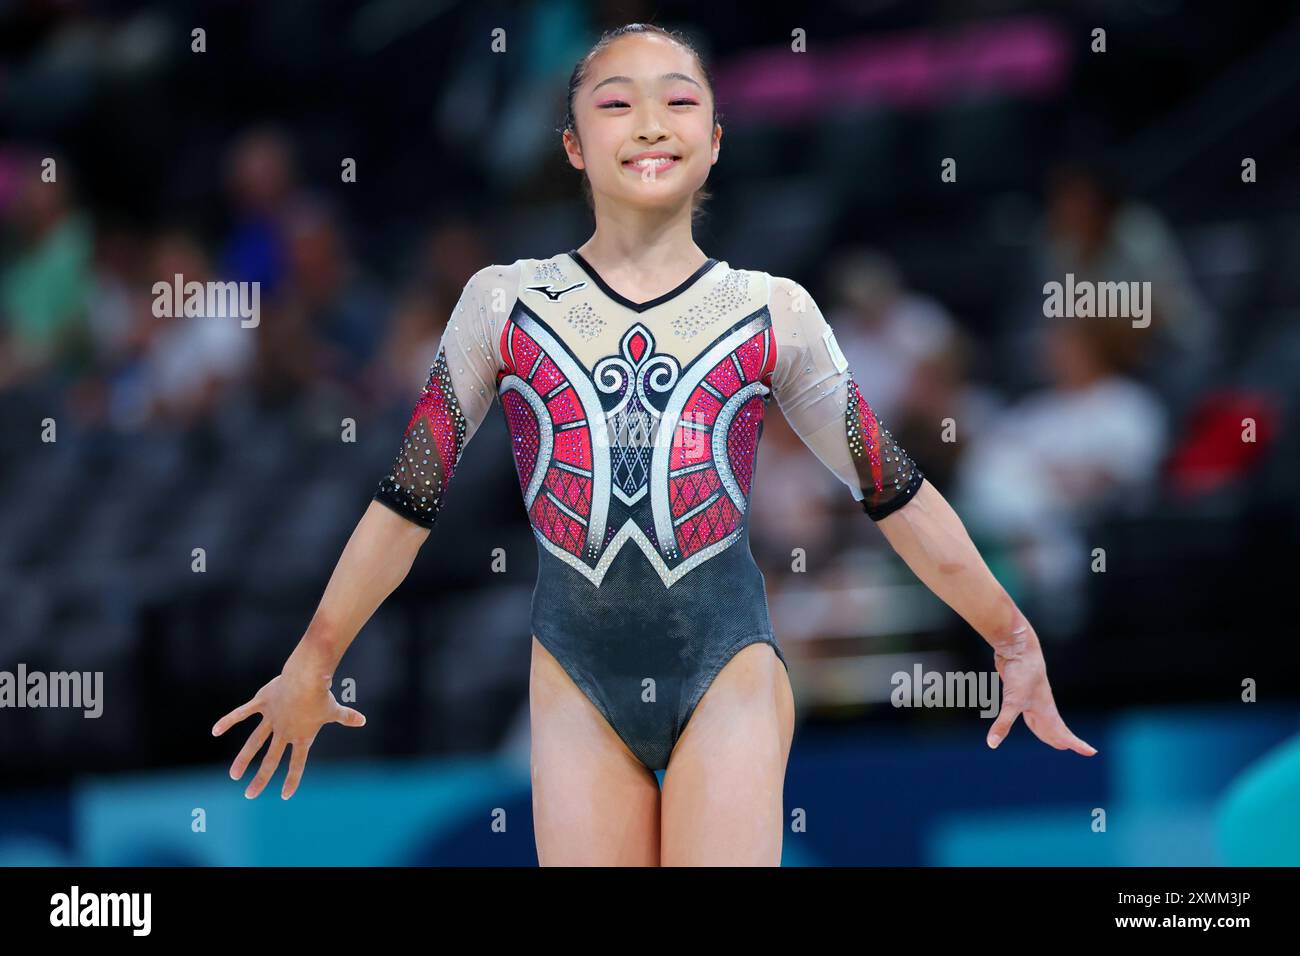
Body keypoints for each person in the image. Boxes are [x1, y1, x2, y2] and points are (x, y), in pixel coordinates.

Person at [213, 23, 1095, 866]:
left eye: (677, 103)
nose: (647, 123)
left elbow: (894, 491)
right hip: (574, 677)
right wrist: (314, 658)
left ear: (715, 140)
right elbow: (405, 504)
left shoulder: (771, 310)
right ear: (570, 145)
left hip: (728, 665)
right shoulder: (501, 304)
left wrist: (1011, 636)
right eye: (614, 103)